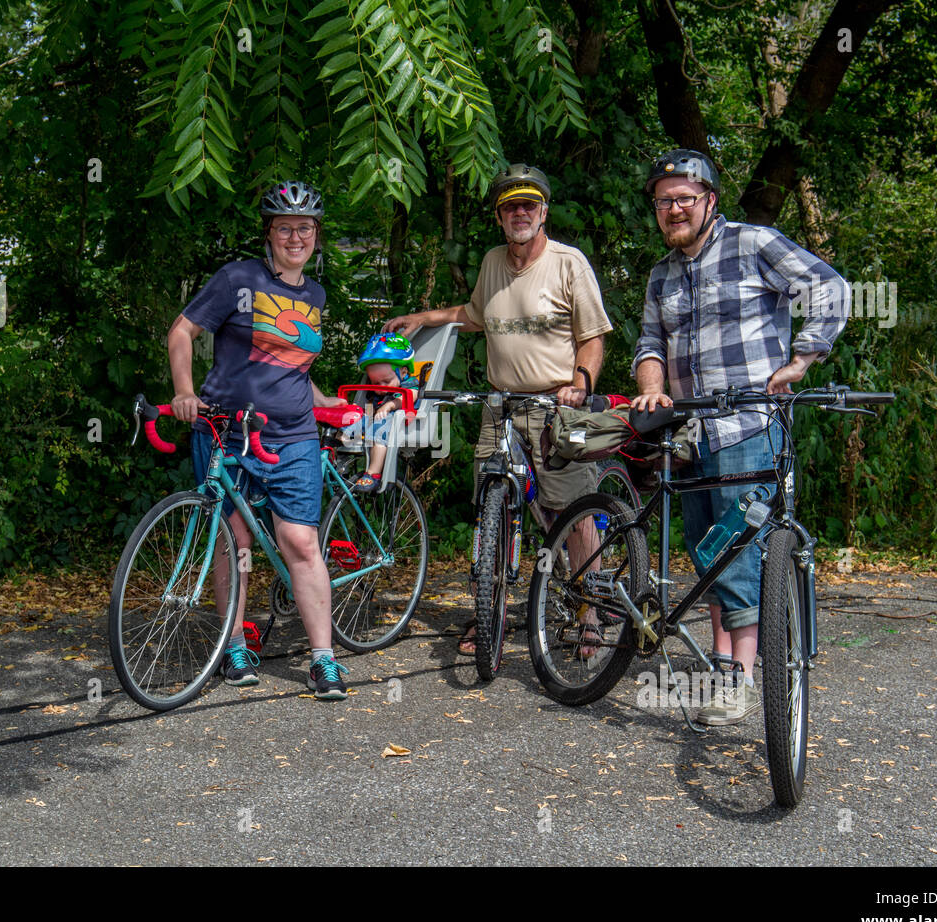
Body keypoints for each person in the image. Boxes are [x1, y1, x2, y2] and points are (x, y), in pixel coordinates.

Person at [630, 148, 849, 724]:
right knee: (708, 557)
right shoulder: (661, 275)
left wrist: (802, 360)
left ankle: (740, 681)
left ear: (709, 199)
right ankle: (723, 665)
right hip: (690, 432)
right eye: (663, 201)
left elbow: (829, 287)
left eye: (683, 198)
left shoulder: (755, 244)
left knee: (741, 553)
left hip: (750, 425)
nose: (673, 209)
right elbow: (649, 346)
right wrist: (652, 387)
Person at [385, 163, 612, 656]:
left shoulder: (568, 262)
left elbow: (592, 338)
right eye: (511, 206)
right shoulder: (492, 261)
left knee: (569, 511)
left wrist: (580, 383)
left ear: (543, 211)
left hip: (554, 405)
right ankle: (488, 614)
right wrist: (424, 318)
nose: (520, 212)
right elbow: (474, 314)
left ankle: (588, 613)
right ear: (499, 216)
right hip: (499, 406)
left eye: (529, 204)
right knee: (493, 506)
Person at [166, 180, 351, 700]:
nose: (296, 237)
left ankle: (323, 659)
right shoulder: (235, 279)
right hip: (228, 431)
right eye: (285, 227)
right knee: (235, 542)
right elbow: (181, 332)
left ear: (316, 235)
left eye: (306, 228)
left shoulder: (314, 294)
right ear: (269, 233)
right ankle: (235, 646)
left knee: (301, 542)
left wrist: (324, 401)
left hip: (293, 436)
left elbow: (291, 365)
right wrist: (184, 390)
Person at [344, 332, 421, 493]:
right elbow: (369, 406)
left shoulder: (409, 384)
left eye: (386, 381)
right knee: (345, 425)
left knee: (379, 434)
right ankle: (339, 464)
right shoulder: (377, 391)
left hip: (396, 422)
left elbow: (411, 397)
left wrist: (390, 405)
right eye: (375, 382)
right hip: (374, 420)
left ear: (404, 372)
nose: (380, 388)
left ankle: (373, 473)